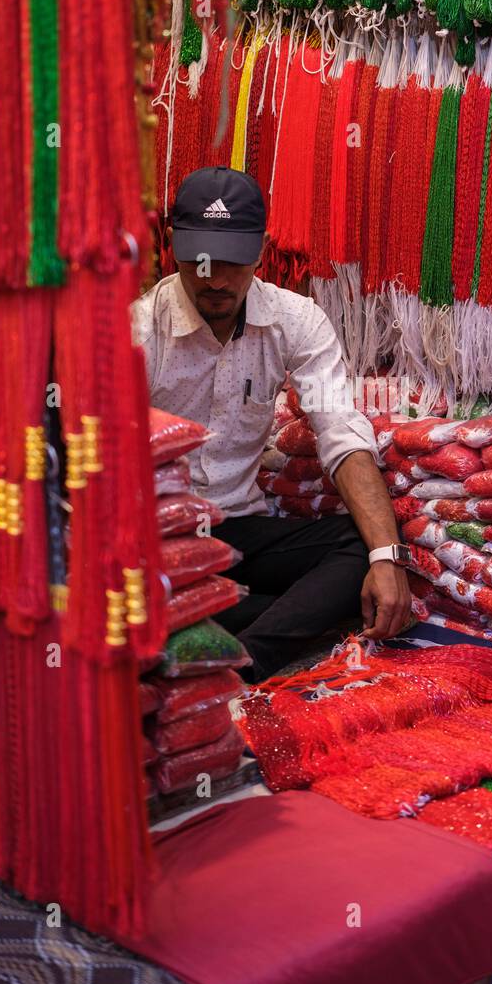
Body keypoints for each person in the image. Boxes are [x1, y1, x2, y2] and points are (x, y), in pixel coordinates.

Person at [132, 166, 412, 682]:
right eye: (198, 260)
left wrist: (386, 556)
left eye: (232, 261)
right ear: (172, 245)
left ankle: (234, 661)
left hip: (237, 532)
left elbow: (340, 432)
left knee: (359, 548)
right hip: (154, 543)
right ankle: (241, 627)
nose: (213, 278)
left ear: (260, 250)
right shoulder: (139, 329)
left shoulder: (297, 319)